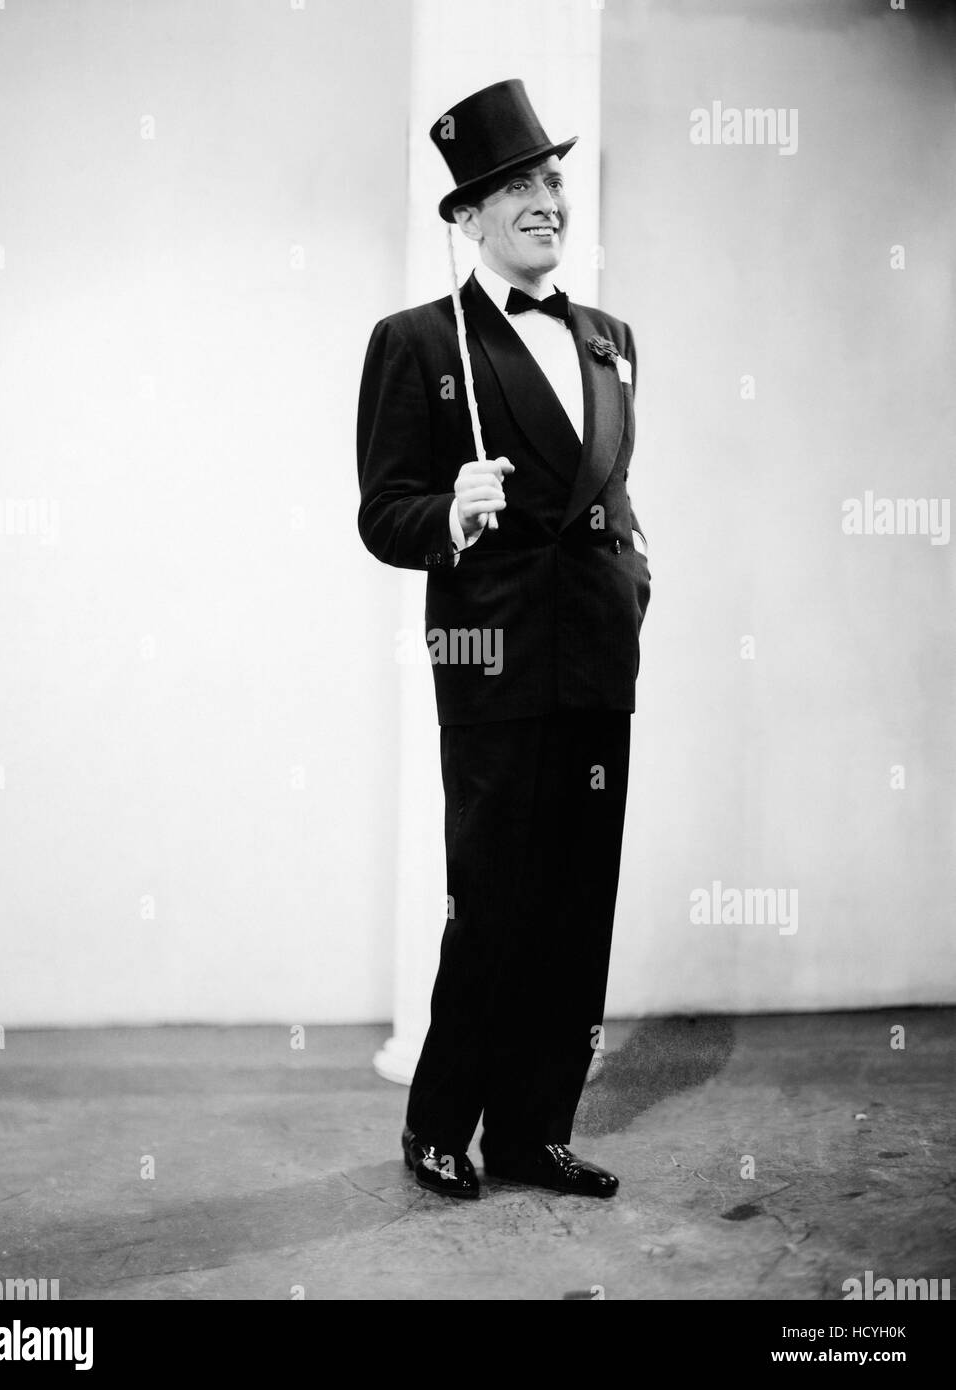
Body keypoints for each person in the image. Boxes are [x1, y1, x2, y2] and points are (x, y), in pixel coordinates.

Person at [357, 79, 651, 1200]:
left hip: (599, 665)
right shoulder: (417, 342)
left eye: (552, 179)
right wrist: (449, 514)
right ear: (468, 217)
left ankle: (534, 1132)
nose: (546, 200)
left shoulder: (612, 340)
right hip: (494, 663)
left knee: (579, 910)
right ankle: (439, 1123)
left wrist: (634, 564)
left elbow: (608, 488)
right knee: (493, 903)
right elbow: (384, 512)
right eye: (517, 185)